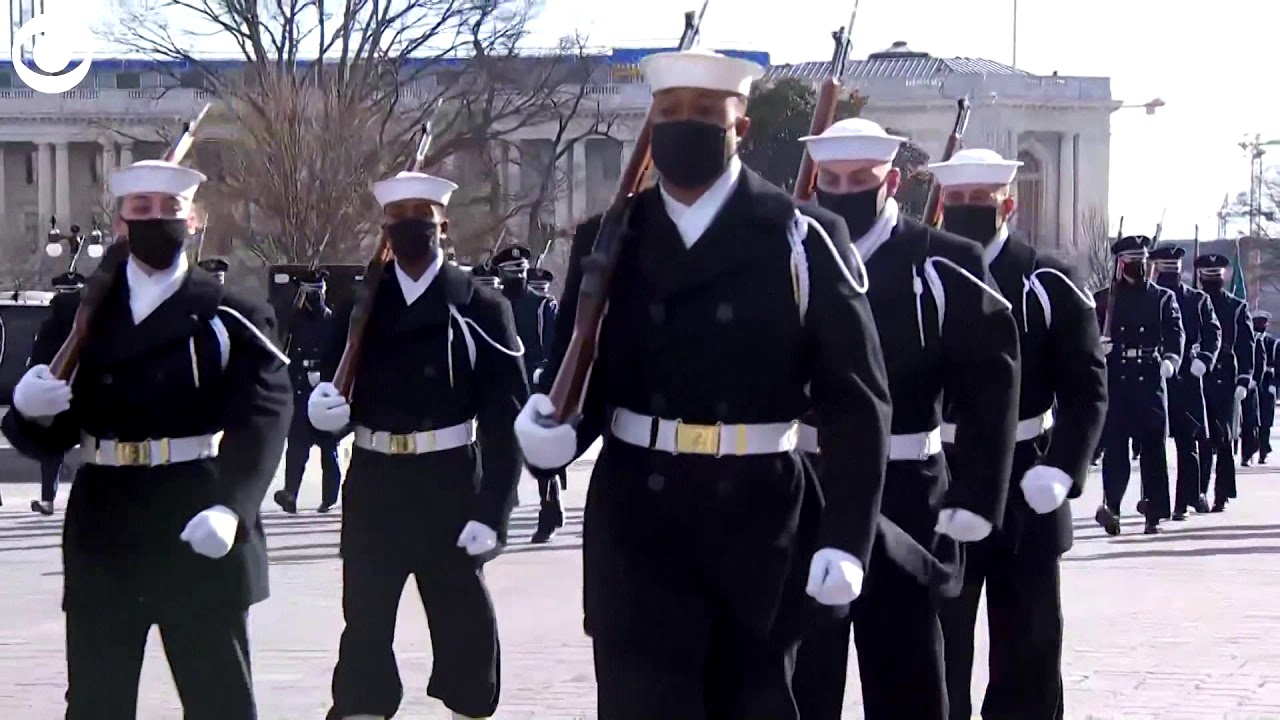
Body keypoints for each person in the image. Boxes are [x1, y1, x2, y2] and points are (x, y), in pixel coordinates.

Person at [514, 49, 892, 719]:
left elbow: (856, 400)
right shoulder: (611, 239)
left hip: (760, 522)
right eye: (669, 113)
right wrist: (555, 432)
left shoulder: (801, 237)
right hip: (638, 522)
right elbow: (582, 374)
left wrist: (846, 537)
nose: (683, 126)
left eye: (702, 114)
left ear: (739, 129)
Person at [0, 158, 292, 719]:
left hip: (195, 509)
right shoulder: (77, 315)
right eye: (141, 209)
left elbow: (265, 414)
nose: (157, 219)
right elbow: (51, 435)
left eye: (171, 208)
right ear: (118, 223)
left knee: (219, 698)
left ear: (195, 219)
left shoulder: (230, 314)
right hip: (106, 519)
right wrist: (30, 411)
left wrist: (234, 507)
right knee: (97, 701)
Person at [787, 123, 1019, 720]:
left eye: (859, 181)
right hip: (810, 486)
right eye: (830, 181)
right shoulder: (790, 252)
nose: (843, 192)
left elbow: (993, 379)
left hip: (908, 490)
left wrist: (977, 495)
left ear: (890, 182)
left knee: (908, 676)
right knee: (801, 678)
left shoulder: (943, 261)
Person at [307, 169, 528, 720]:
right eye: (399, 219)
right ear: (385, 227)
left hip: (448, 481)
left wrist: (494, 510)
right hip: (376, 483)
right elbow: (336, 392)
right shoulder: (362, 305)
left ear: (443, 226)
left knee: (463, 620)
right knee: (365, 619)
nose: (411, 229)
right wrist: (323, 417)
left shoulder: (477, 306)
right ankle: (362, 709)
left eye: (422, 220)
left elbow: (505, 417)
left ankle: (470, 708)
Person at [926, 149, 1106, 720]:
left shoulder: (1046, 279)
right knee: (939, 638)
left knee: (1027, 639)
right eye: (957, 201)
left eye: (980, 201)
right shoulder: (924, 273)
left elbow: (1086, 387)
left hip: (1029, 472)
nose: (967, 211)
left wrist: (1065, 466)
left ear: (1008, 203)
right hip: (947, 470)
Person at [1095, 236, 1184, 535]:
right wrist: (1099, 347)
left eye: (1142, 261)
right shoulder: (1104, 299)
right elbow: (1087, 334)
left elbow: (1175, 332)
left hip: (1149, 375)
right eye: (1133, 261)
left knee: (1152, 447)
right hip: (1118, 377)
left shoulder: (1161, 297)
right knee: (1115, 448)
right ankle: (1113, 508)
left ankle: (1154, 510)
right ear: (1121, 264)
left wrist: (1171, 359)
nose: (1140, 267)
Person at [1150, 246, 1219, 519]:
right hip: (1154, 374)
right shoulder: (1150, 296)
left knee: (1187, 442)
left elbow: (1213, 333)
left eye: (1173, 267)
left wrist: (1204, 359)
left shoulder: (1197, 299)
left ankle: (1184, 500)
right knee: (1152, 444)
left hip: (1187, 377)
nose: (1170, 271)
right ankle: (1153, 499)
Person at [274, 268, 343, 514]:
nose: (314, 299)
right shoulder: (296, 322)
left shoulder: (333, 322)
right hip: (301, 391)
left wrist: (327, 380)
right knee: (296, 449)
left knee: (328, 450)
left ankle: (329, 497)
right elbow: (285, 353)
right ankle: (290, 493)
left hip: (323, 392)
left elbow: (340, 357)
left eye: (317, 293)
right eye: (309, 293)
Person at [1194, 254, 1253, 512]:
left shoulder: (1236, 307)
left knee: (1225, 439)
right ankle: (1199, 491)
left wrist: (1244, 379)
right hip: (1199, 377)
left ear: (1223, 277)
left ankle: (1222, 493)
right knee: (1202, 439)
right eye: (1207, 276)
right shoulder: (1194, 302)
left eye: (1215, 276)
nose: (1211, 281)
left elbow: (1245, 346)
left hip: (1226, 377)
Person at [28, 270, 86, 516]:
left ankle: (48, 499)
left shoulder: (49, 324)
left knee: (52, 448)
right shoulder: (92, 321)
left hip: (57, 391)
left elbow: (39, 360)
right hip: (89, 391)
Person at [521, 265, 566, 542]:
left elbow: (554, 344)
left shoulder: (544, 307)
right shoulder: (503, 304)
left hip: (535, 384)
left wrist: (544, 372)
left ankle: (548, 510)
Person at [1242, 312, 1268, 466]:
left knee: (1250, 422)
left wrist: (1254, 381)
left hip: (1251, 387)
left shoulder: (1258, 341)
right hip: (1235, 383)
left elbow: (1260, 363)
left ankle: (1247, 454)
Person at [1252, 311, 1277, 463]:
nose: (1262, 325)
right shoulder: (1249, 340)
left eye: (1264, 323)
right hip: (1252, 384)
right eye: (1259, 322)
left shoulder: (1272, 343)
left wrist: (1275, 384)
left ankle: (1263, 451)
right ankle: (1249, 451)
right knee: (1251, 421)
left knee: (1266, 421)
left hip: (1267, 385)